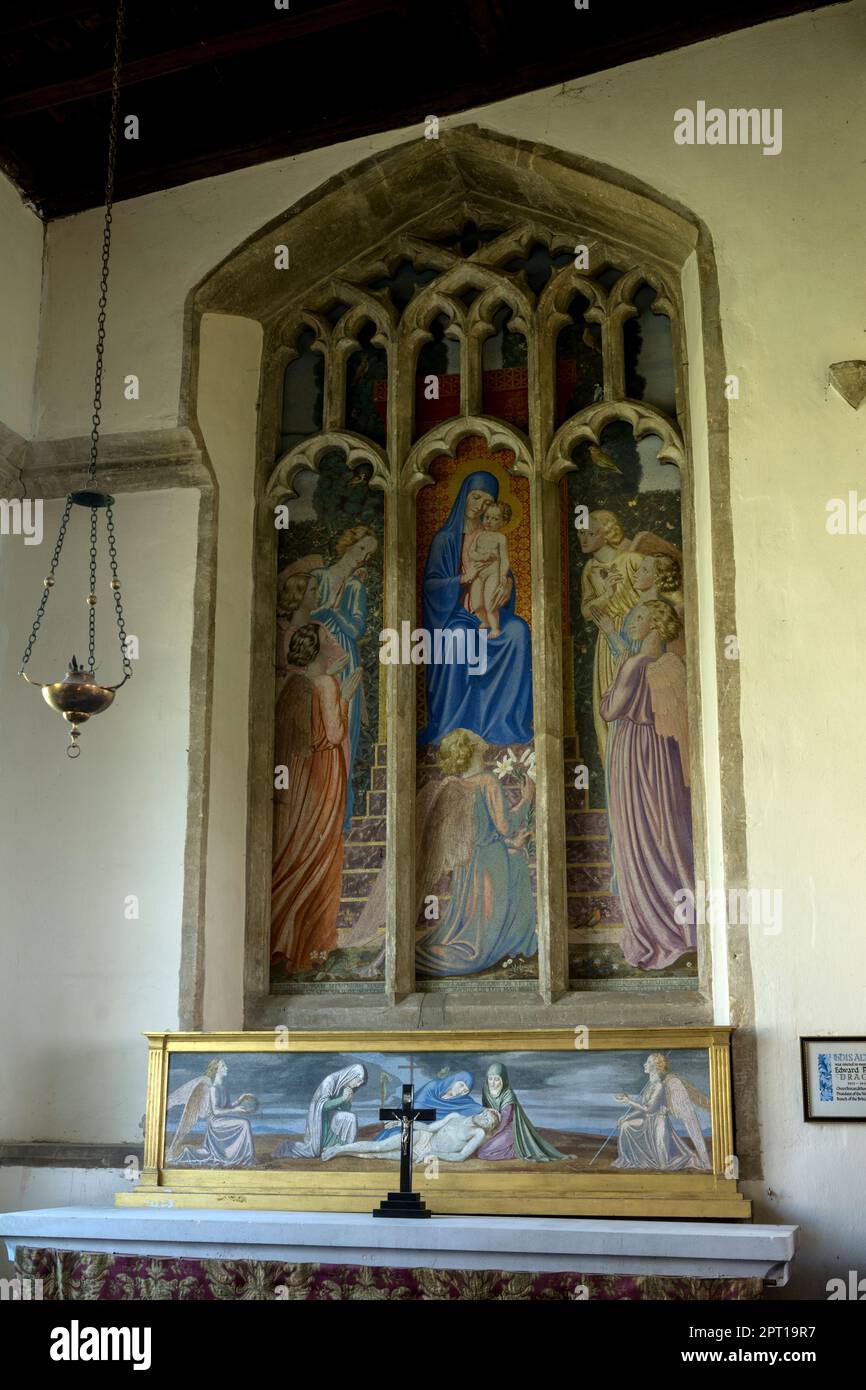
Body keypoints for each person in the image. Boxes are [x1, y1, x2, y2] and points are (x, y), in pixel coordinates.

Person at [600, 601, 695, 969]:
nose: (629, 621)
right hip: (663, 752)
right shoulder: (671, 666)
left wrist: (611, 691)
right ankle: (685, 925)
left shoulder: (634, 664)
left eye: (637, 617)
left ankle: (654, 931)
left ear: (655, 623)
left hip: (633, 752)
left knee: (638, 835)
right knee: (667, 829)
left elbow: (610, 711)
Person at [270, 622, 362, 972]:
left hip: (301, 777)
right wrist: (347, 695)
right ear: (319, 649)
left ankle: (286, 937)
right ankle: (313, 944)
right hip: (324, 773)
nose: (334, 640)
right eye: (329, 638)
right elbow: (336, 733)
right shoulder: (326, 684)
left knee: (300, 847)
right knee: (322, 851)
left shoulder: (294, 684)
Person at [418, 470, 532, 746]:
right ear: (464, 497)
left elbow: (504, 572)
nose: (480, 505)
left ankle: (503, 724)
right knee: (458, 638)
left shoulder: (492, 535)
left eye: (487, 501)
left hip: (489, 609)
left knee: (517, 631)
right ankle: (453, 728)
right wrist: (459, 580)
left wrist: (507, 586)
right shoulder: (445, 539)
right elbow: (430, 585)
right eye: (476, 496)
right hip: (455, 614)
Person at [414, 729, 537, 977]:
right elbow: (505, 827)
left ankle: (505, 944)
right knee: (518, 869)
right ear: (473, 749)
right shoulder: (487, 780)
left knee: (471, 920)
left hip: (469, 864)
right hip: (491, 864)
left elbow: (476, 834)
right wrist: (526, 800)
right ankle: (511, 945)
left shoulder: (456, 785)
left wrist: (511, 844)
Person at [612, 1053, 710, 1171]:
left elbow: (648, 1109)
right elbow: (644, 1110)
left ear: (655, 1066)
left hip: (658, 1124)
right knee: (625, 1125)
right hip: (647, 1122)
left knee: (664, 1165)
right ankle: (629, 1158)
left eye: (648, 1062)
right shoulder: (649, 1086)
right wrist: (627, 1117)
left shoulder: (659, 1086)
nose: (644, 1064)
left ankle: (689, 1159)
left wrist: (629, 1101)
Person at [166, 1059, 256, 1167]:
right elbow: (216, 1111)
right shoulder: (213, 1089)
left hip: (221, 1120)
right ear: (216, 1070)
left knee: (245, 1123)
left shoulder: (224, 1088)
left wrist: (240, 1100)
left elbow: (227, 1106)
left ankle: (240, 1157)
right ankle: (244, 1159)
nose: (226, 1068)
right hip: (215, 1123)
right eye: (223, 1066)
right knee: (244, 1123)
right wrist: (235, 1110)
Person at [322, 1109, 498, 1163]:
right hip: (422, 1137)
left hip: (427, 1152)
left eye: (488, 1122)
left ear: (488, 1128)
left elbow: (461, 1156)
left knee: (378, 1155)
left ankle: (342, 1152)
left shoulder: (478, 1133)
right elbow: (430, 1128)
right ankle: (338, 1149)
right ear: (483, 1111)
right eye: (486, 1115)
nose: (484, 1119)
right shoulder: (455, 1116)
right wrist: (404, 1123)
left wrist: (435, 1155)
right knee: (379, 1146)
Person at [475, 1062, 568, 1161]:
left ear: (503, 1080)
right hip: (494, 1128)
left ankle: (516, 1151)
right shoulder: (486, 1090)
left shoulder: (508, 1095)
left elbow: (504, 1121)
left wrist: (490, 1135)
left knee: (483, 1153)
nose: (493, 1083)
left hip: (512, 1129)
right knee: (479, 1148)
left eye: (497, 1079)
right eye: (490, 1079)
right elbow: (485, 1111)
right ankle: (507, 1148)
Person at [274, 1064, 368, 1158]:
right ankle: (286, 1147)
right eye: (359, 1080)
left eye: (361, 1082)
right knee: (314, 1152)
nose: (358, 1084)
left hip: (331, 1116)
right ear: (352, 1075)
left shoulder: (346, 1087)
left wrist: (346, 1100)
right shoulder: (330, 1081)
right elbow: (322, 1106)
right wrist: (342, 1099)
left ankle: (348, 1148)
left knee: (351, 1117)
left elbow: (346, 1109)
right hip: (319, 1118)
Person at [372, 1071, 482, 1141]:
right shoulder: (432, 1087)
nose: (461, 1091)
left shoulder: (464, 1102)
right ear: (453, 1080)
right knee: (394, 1135)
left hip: (429, 1131)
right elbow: (415, 1106)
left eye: (466, 1090)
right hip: (410, 1122)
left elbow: (479, 1109)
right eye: (461, 1085)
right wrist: (398, 1120)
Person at [464, 501, 512, 637]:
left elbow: (504, 558)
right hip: (478, 574)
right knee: (477, 604)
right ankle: (485, 621)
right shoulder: (479, 536)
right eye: (487, 517)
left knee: (490, 603)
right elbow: (471, 553)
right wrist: (484, 556)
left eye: (495, 519)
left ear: (503, 522)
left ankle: (495, 628)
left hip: (493, 574)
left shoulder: (500, 538)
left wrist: (503, 575)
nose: (489, 521)